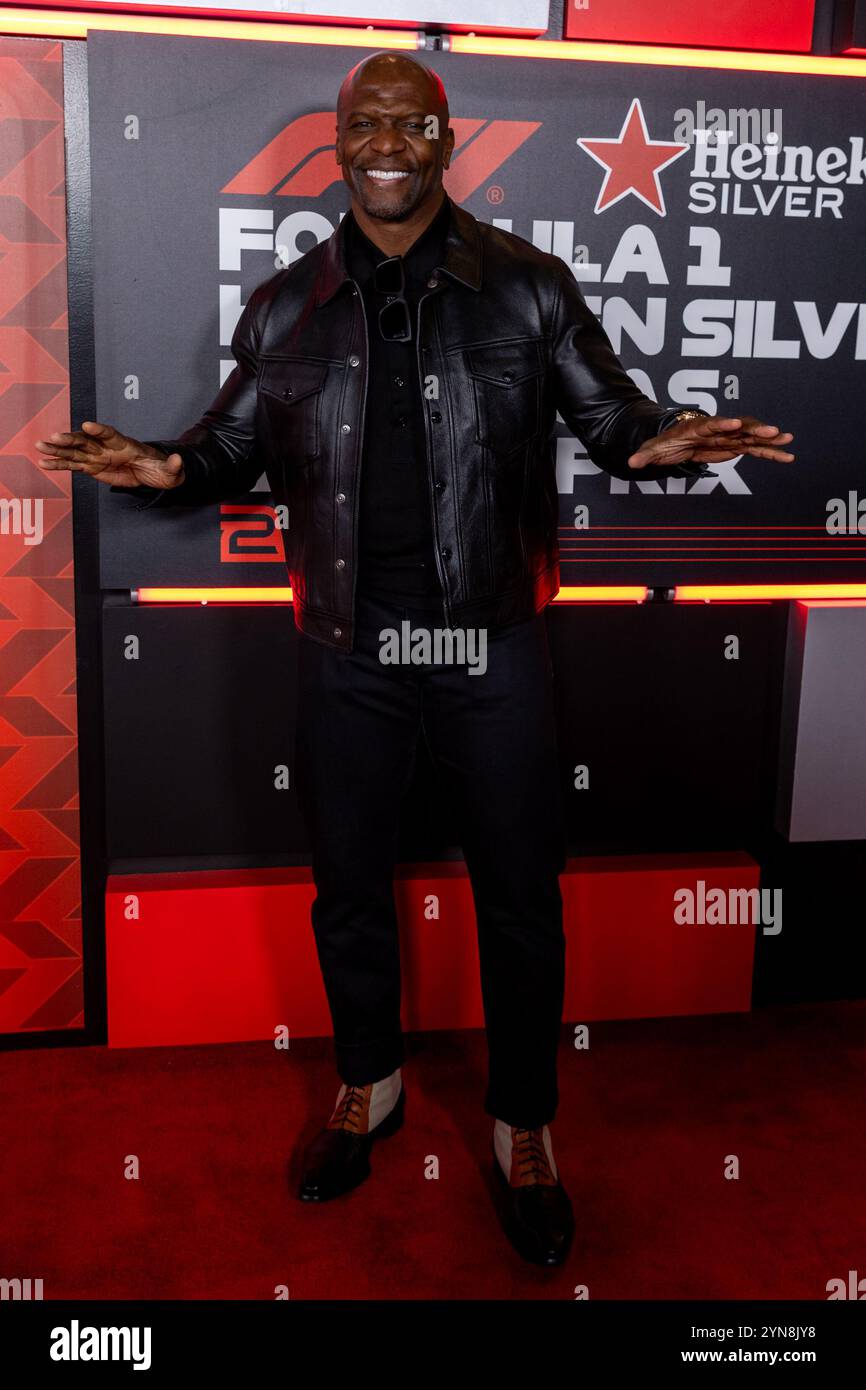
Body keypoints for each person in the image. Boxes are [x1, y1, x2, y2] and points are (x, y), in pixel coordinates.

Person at [36, 51, 793, 1268]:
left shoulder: (526, 287)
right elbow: (232, 443)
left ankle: (523, 1125)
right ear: (338, 145)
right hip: (346, 646)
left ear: (444, 141)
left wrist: (665, 442)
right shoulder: (287, 303)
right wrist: (167, 467)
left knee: (517, 897)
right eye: (364, 123)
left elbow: (610, 416)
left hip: (488, 642)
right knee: (346, 884)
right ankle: (368, 1087)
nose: (386, 141)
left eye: (410, 122)